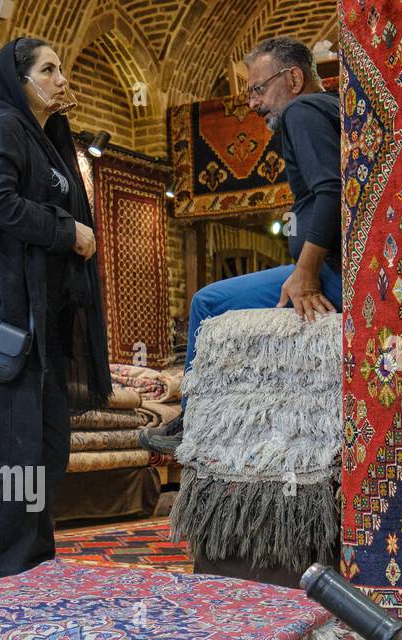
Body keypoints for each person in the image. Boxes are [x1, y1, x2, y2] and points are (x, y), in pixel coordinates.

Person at [0, 36, 111, 588]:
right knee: (14, 457)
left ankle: (32, 572)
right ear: (19, 82)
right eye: (49, 70)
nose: (62, 79)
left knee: (46, 451)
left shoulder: (42, 140)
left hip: (42, 326)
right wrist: (68, 232)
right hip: (8, 321)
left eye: (62, 68)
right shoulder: (1, 129)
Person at [144, 36, 341, 454]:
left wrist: (305, 276)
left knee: (208, 302)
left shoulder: (303, 110)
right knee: (211, 300)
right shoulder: (331, 109)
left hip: (329, 274)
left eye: (258, 89)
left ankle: (193, 422)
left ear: (293, 77)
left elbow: (330, 191)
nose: (252, 103)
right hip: (328, 268)